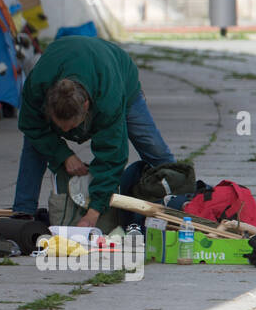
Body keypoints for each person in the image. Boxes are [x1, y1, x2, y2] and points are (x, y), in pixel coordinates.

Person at [12, 36, 174, 226]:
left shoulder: (108, 101)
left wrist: (93, 213)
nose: (64, 132)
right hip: (69, 58)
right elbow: (32, 126)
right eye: (59, 126)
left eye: (71, 127)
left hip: (119, 76)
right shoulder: (38, 85)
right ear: (47, 105)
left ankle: (181, 198)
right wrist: (63, 154)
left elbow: (112, 157)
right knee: (34, 144)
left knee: (152, 146)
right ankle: (23, 211)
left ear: (87, 106)